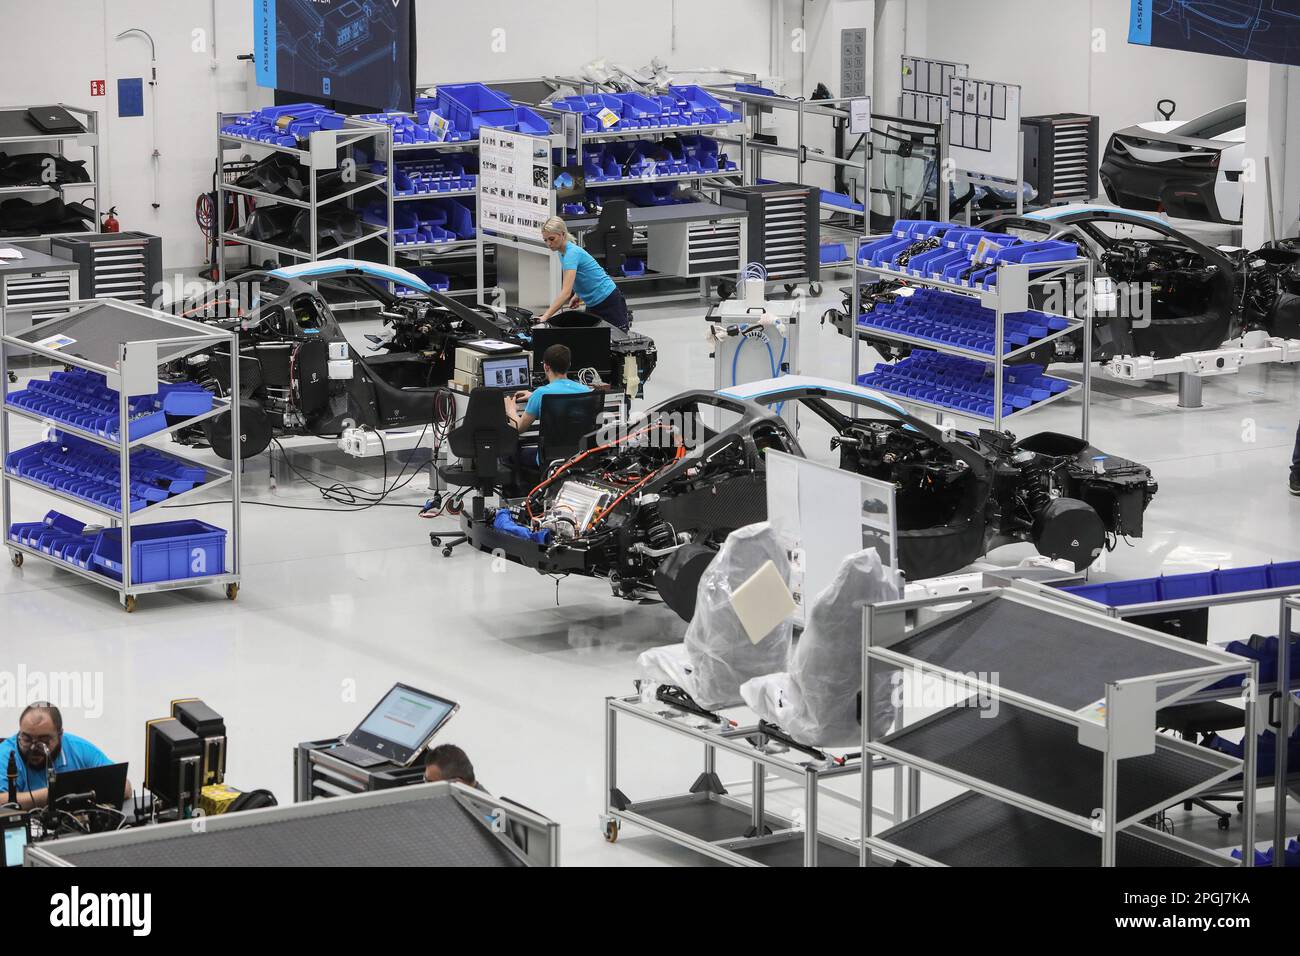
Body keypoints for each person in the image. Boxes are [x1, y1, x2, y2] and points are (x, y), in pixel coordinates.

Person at [0, 702, 132, 810]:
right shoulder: (5, 754)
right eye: (26, 739)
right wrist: (56, 794)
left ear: (60, 735)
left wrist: (64, 793)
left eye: (44, 740)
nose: (34, 747)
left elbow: (124, 787)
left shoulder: (79, 748)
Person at [538, 217, 630, 330]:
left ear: (562, 234)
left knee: (619, 340)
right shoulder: (562, 252)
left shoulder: (571, 254)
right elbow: (580, 275)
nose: (549, 243)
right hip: (593, 303)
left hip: (608, 300)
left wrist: (546, 316)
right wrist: (578, 294)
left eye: (551, 239)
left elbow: (566, 293)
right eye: (545, 240)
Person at [504, 343, 590, 435]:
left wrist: (510, 410)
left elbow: (519, 428)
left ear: (546, 366)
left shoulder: (540, 394)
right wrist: (533, 396)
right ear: (569, 364)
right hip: (581, 448)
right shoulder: (586, 390)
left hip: (551, 449)